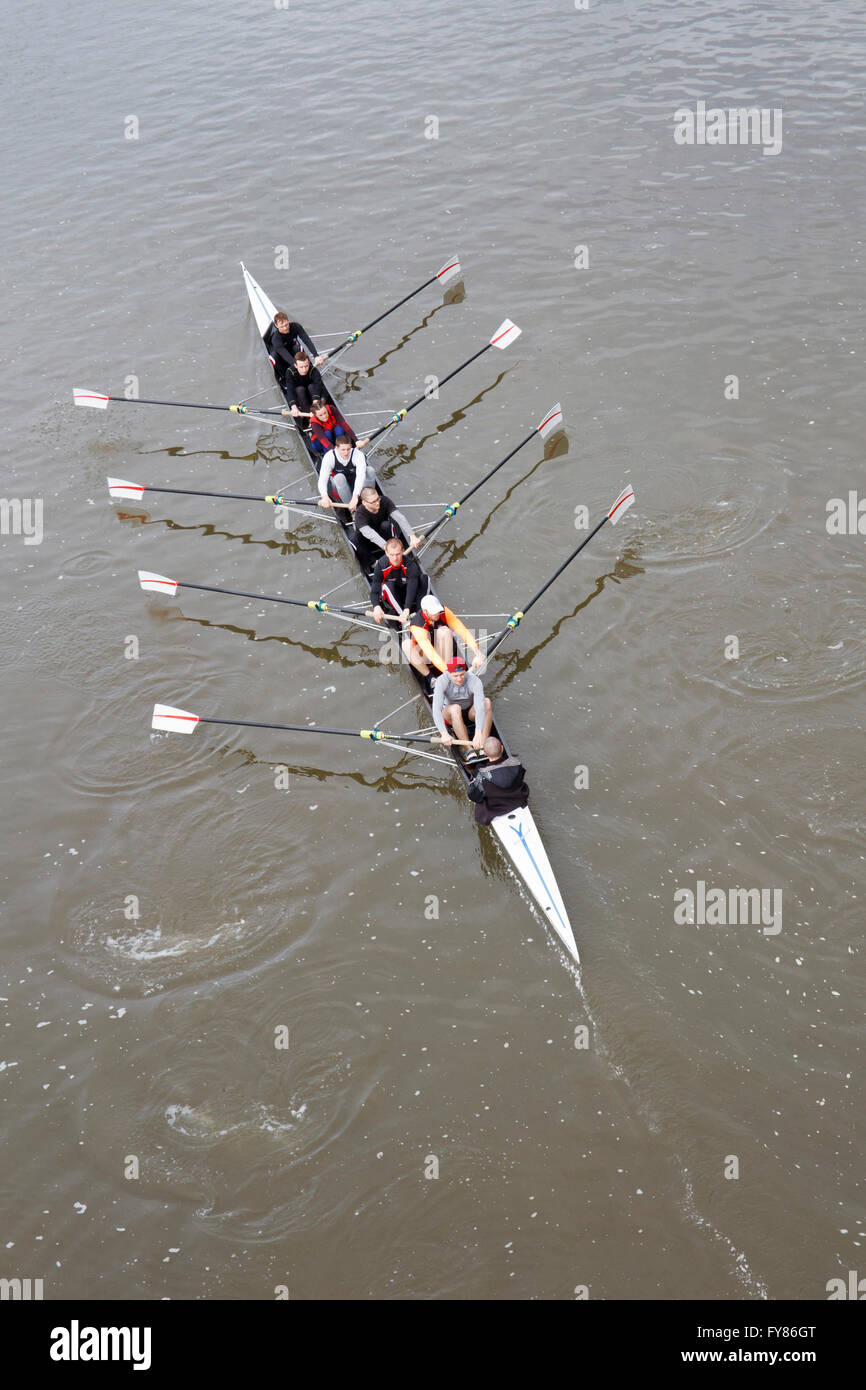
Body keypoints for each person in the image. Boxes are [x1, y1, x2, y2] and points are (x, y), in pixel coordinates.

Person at [407, 594, 484, 682]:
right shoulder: (417, 626)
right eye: (433, 612)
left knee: (445, 631)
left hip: (443, 652)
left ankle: (449, 668)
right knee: (406, 645)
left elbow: (463, 631)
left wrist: (477, 653)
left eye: (438, 611)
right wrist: (447, 671)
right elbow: (430, 653)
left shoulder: (444, 611)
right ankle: (431, 678)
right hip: (427, 657)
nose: (437, 614)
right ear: (425, 611)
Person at [352, 485, 422, 573]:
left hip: (385, 534)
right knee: (354, 538)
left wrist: (412, 536)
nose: (377, 503)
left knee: (386, 524)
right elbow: (371, 535)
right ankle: (374, 563)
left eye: (377, 499)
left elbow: (399, 517)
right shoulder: (359, 515)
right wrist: (387, 548)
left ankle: (395, 548)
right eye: (373, 502)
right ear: (364, 503)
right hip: (368, 541)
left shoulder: (384, 501)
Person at [431, 656, 493, 752]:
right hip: (451, 715)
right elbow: (436, 709)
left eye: (462, 674)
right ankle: (468, 750)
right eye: (455, 676)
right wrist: (444, 733)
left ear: (465, 671)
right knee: (455, 708)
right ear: (449, 673)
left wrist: (478, 732)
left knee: (486, 702)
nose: (459, 679)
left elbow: (480, 707)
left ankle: (482, 745)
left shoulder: (474, 680)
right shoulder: (441, 681)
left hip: (470, 714)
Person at [466, 737, 530, 825]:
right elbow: (521, 776)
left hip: (496, 809)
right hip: (518, 800)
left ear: (484, 753)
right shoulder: (516, 764)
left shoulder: (480, 775)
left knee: (480, 798)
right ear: (502, 748)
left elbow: (473, 796)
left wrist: (474, 781)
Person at [370, 537, 425, 626]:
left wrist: (407, 608)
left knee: (424, 579)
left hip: (406, 593)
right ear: (386, 553)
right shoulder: (381, 565)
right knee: (387, 585)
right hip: (391, 594)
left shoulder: (410, 565)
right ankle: (404, 620)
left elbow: (412, 587)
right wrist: (376, 606)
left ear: (403, 551)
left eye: (398, 554)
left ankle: (421, 614)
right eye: (391, 555)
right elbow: (374, 591)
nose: (395, 558)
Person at [318, 435, 377, 513]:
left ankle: (369, 500)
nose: (346, 453)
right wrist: (324, 496)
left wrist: (355, 496)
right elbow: (322, 480)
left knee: (370, 470)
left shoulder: (358, 454)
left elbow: (360, 476)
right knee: (339, 477)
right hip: (341, 487)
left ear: (351, 447)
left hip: (358, 484)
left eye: (348, 449)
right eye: (343, 450)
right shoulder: (329, 457)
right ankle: (352, 510)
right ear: (336, 448)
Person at [266, 311, 326, 387]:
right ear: (276, 326)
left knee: (297, 348)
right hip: (282, 358)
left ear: (288, 321)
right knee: (273, 356)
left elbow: (307, 341)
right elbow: (285, 354)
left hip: (294, 352)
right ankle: (283, 379)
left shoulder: (295, 326)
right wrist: (298, 367)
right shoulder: (275, 339)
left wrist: (316, 356)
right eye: (282, 326)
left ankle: (309, 370)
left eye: (286, 325)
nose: (285, 328)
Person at [282, 351, 328, 418]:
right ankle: (309, 417)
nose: (304, 370)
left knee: (311, 387)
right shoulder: (290, 372)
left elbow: (318, 385)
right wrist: (293, 407)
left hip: (313, 394)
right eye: (301, 367)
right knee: (300, 389)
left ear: (309, 363)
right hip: (299, 396)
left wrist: (316, 401)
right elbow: (290, 390)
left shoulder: (313, 370)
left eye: (306, 366)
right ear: (295, 365)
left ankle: (318, 411)